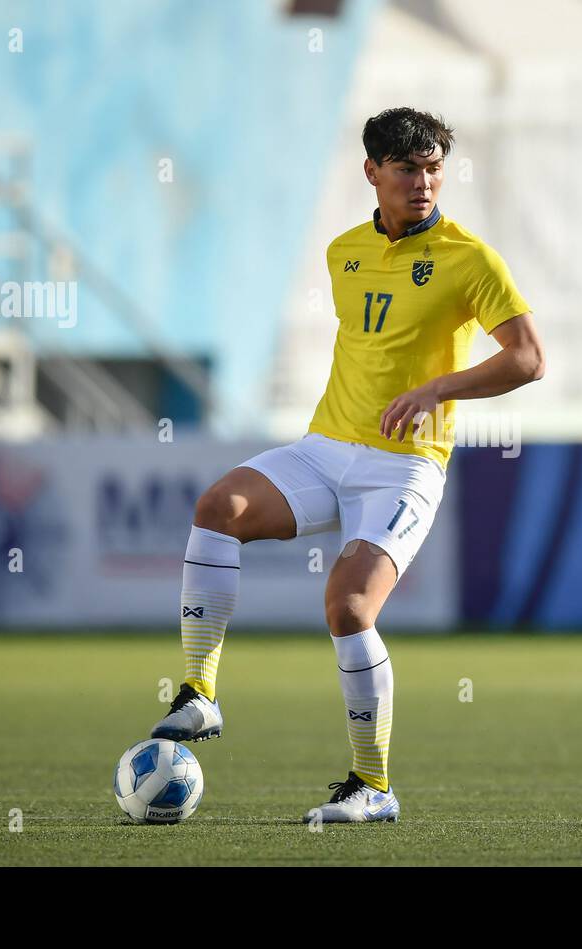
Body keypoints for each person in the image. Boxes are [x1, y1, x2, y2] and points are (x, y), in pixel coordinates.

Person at [151, 107, 545, 823]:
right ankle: (200, 694)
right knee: (217, 508)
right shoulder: (344, 252)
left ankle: (373, 785)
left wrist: (437, 389)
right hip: (325, 448)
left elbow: (528, 358)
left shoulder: (470, 259)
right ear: (372, 171)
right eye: (407, 169)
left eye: (434, 169)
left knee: (349, 606)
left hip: (405, 466)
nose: (423, 183)